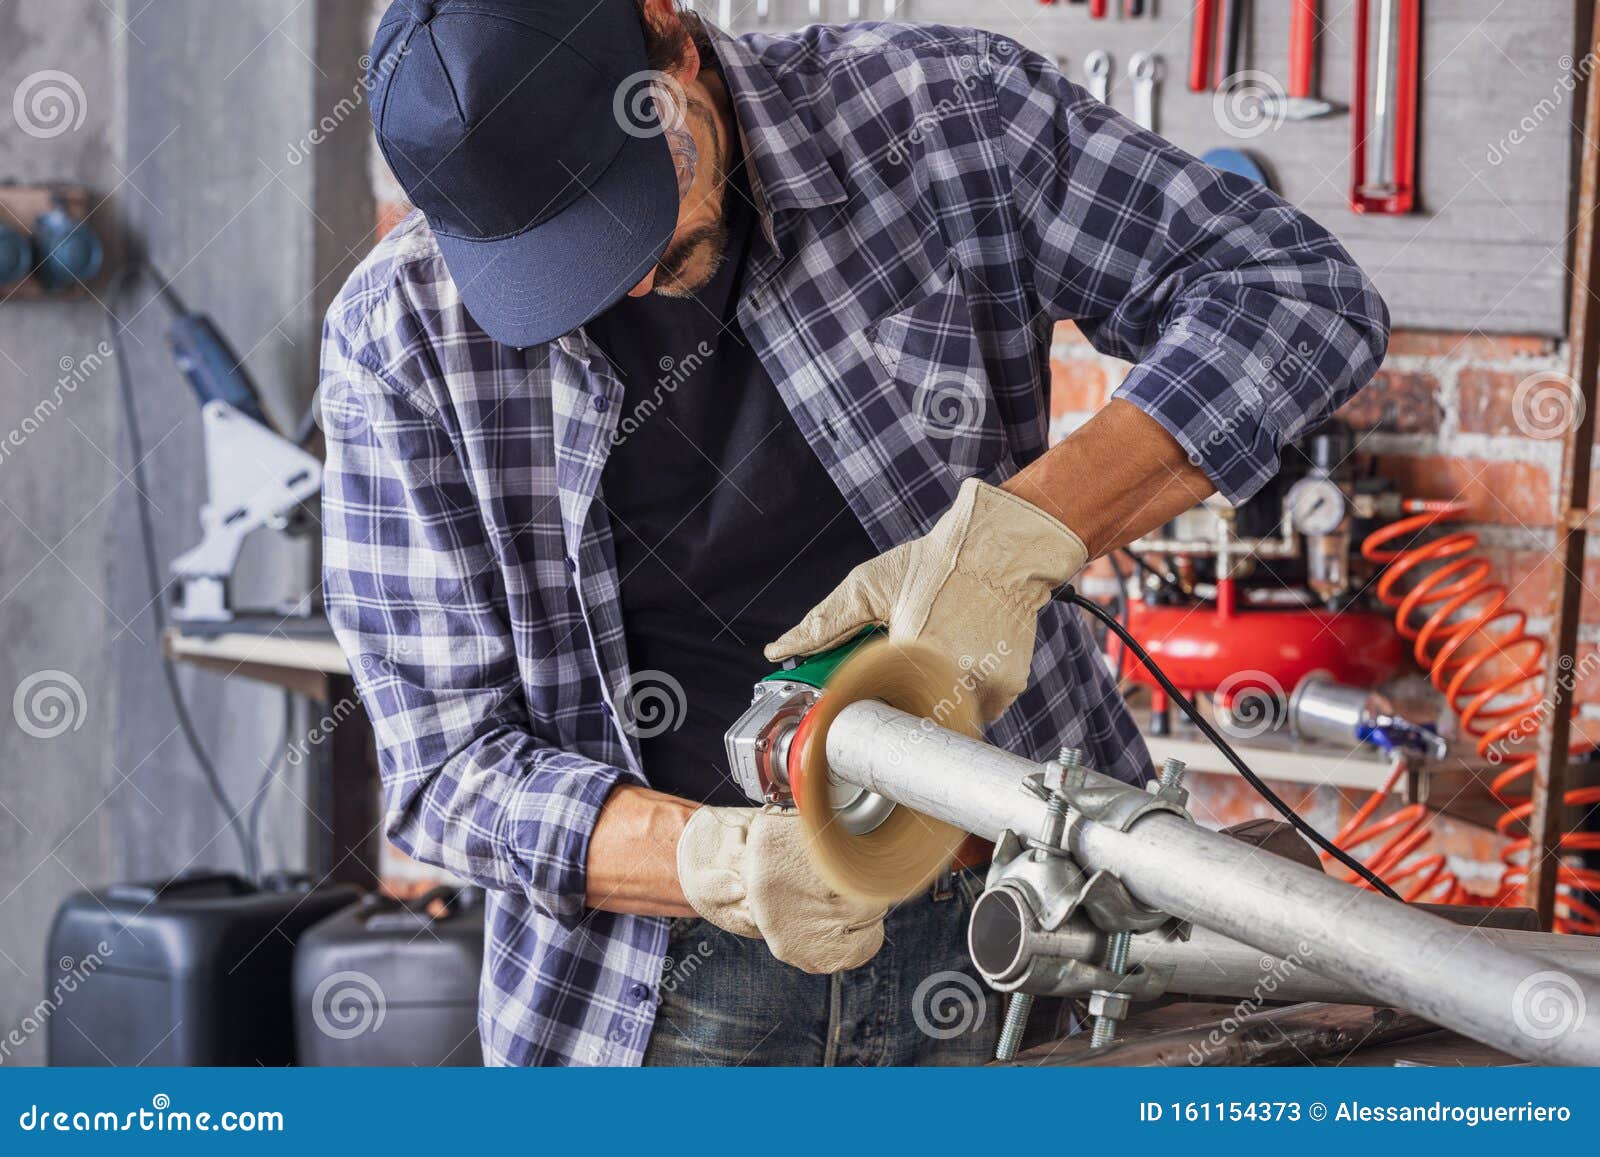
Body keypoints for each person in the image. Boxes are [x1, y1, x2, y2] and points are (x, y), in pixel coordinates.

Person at [320, 0, 1388, 1066]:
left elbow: (1291, 293)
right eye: (559, 253)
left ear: (671, 38)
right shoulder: (399, 342)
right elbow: (445, 767)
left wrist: (1024, 535)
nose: (628, 275)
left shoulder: (940, 116)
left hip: (1029, 912)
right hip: (662, 993)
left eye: (633, 201)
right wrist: (709, 858)